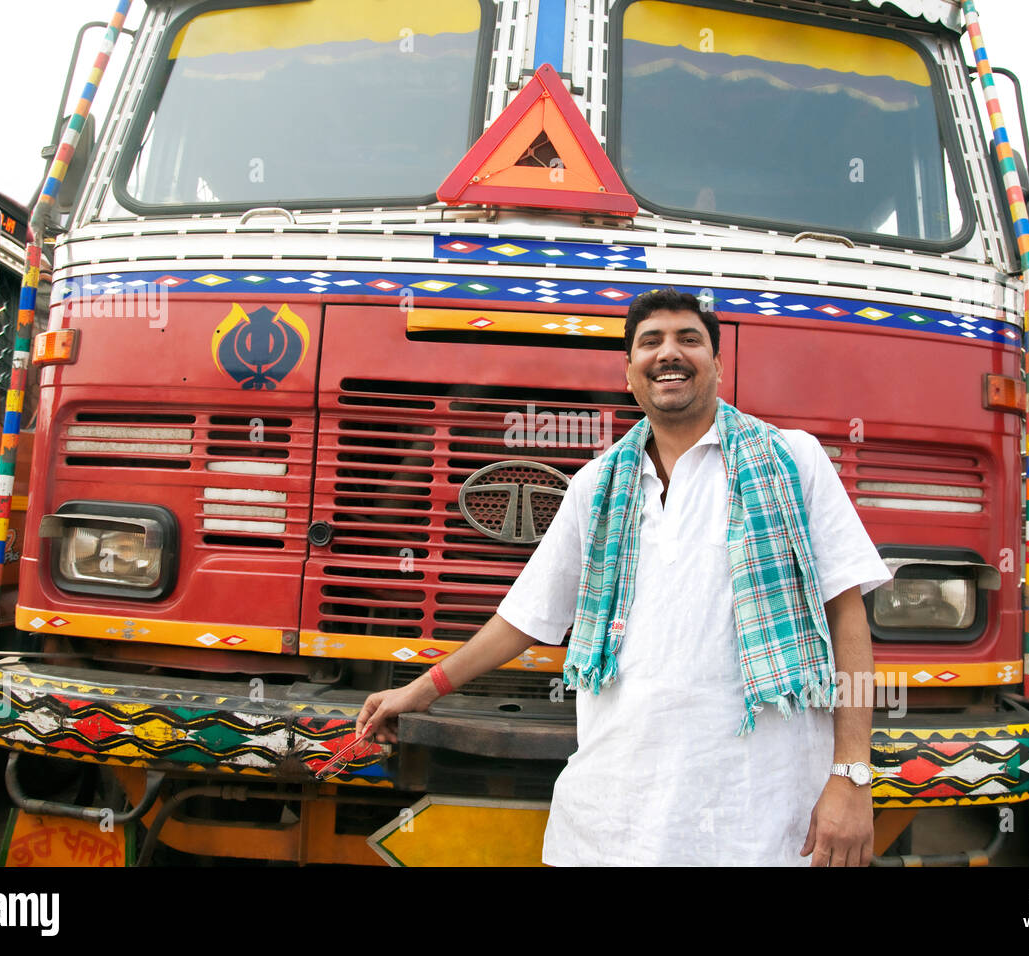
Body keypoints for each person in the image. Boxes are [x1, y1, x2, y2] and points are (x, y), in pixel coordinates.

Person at [357, 288, 891, 866]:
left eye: (690, 339)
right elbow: (525, 618)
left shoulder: (795, 460)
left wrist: (853, 776)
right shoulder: (596, 484)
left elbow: (846, 614)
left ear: (717, 363)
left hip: (757, 816)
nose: (670, 353)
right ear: (629, 373)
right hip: (616, 817)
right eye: (650, 342)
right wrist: (419, 690)